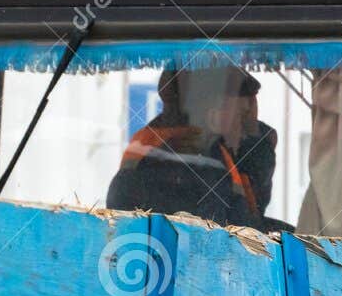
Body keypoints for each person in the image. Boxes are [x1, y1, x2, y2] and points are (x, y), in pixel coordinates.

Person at [106, 66, 277, 228]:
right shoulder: (200, 166)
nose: (246, 127)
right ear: (214, 112)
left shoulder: (151, 144)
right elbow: (236, 237)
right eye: (241, 115)